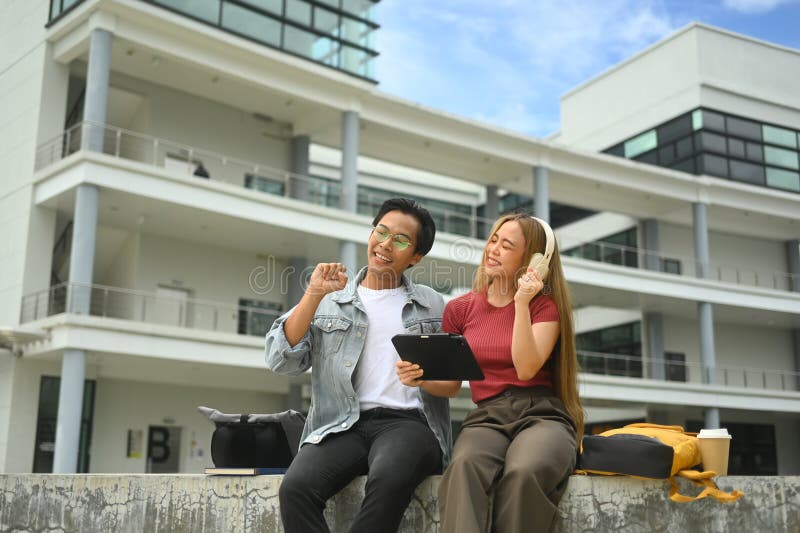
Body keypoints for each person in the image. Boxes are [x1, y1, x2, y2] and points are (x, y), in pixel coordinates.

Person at [265, 198, 452, 533]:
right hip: (342, 424)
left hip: (407, 424)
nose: (385, 244)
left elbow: (450, 379)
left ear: (416, 257)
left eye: (400, 240)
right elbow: (282, 359)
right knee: (295, 488)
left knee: (389, 478)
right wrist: (313, 294)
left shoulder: (432, 304)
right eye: (381, 231)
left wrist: (422, 378)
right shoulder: (330, 299)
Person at [397, 212, 583, 533]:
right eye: (493, 240)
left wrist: (522, 303)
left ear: (533, 260)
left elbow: (525, 369)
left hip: (542, 415)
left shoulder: (543, 307)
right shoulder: (461, 309)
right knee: (463, 466)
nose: (493, 249)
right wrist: (422, 378)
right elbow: (452, 386)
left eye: (506, 245)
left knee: (524, 470)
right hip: (487, 417)